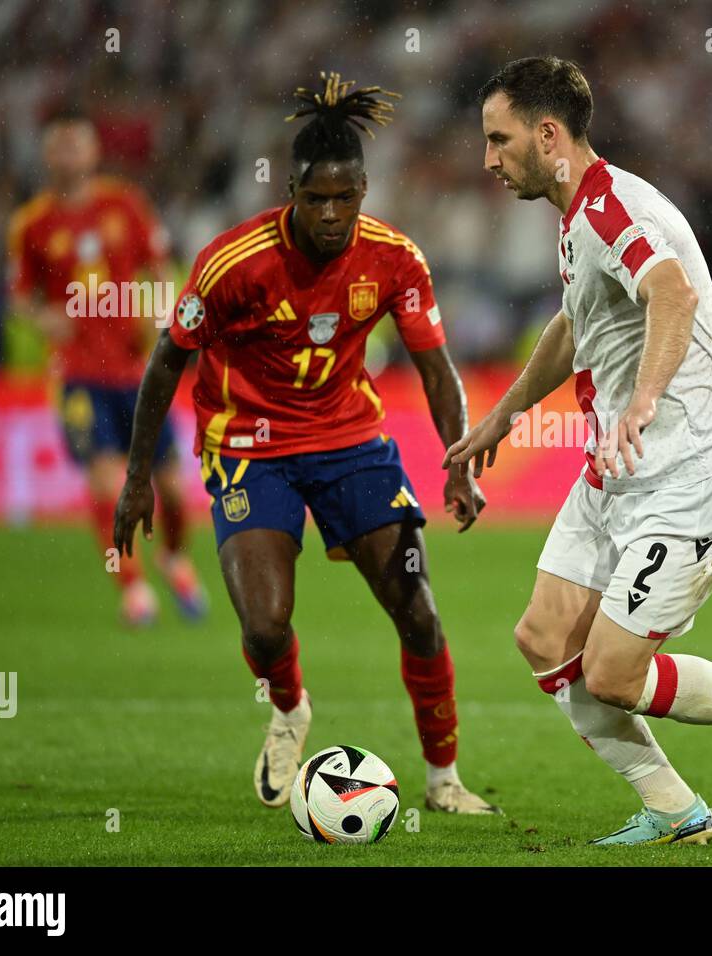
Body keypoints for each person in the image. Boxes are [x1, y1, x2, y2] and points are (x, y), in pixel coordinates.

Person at [445, 57, 712, 845]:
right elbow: (576, 323)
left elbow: (673, 293)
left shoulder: (612, 209)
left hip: (689, 476)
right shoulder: (574, 210)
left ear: (547, 133)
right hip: (618, 471)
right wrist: (508, 414)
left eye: (499, 138)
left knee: (613, 673)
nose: (488, 159)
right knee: (544, 637)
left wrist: (648, 396)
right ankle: (673, 809)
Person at [113, 74, 496, 814]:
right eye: (315, 198)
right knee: (264, 624)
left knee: (417, 609)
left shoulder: (395, 259)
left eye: (345, 197)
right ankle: (289, 708)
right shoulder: (233, 262)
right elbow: (166, 360)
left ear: (363, 189)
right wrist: (138, 479)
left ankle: (445, 780)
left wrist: (458, 464)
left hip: (352, 441)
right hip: (250, 447)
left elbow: (436, 369)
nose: (330, 214)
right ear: (290, 189)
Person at [9, 109, 205, 627]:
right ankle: (134, 588)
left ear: (94, 152)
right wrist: (43, 316)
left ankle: (174, 556)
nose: (68, 154)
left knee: (174, 489)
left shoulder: (125, 205)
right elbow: (19, 297)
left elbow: (162, 268)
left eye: (77, 144)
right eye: (59, 145)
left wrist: (165, 319)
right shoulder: (32, 224)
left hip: (137, 372)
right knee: (104, 483)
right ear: (47, 155)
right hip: (77, 374)